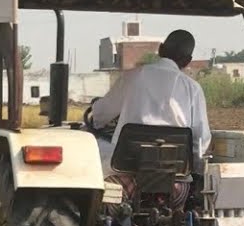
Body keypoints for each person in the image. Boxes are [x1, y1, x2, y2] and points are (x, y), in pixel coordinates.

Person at [90, 29, 212, 177]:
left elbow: (101, 114)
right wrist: (194, 170)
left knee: (94, 148)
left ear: (160, 49)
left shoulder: (132, 77)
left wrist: (95, 114)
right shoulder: (193, 88)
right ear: (187, 61)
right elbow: (201, 139)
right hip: (174, 174)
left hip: (127, 168)